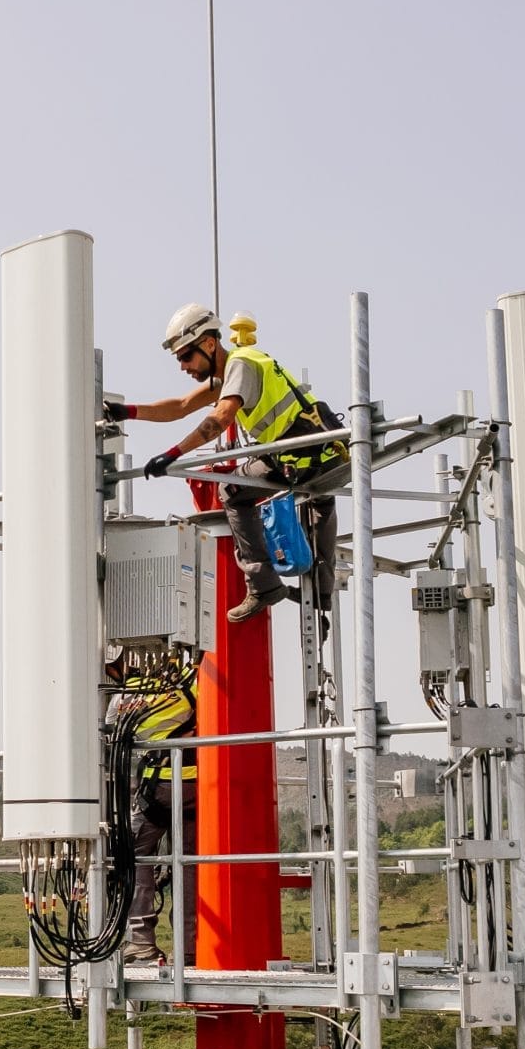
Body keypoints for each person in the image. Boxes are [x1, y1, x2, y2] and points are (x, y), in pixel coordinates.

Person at [108, 304, 341, 623]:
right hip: (324, 449)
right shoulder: (238, 367)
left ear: (208, 343)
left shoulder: (241, 365)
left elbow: (220, 418)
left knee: (232, 490)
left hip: (300, 454)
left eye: (186, 356)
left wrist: (174, 455)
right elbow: (180, 406)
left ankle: (263, 584)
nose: (183, 366)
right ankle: (322, 592)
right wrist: (128, 412)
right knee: (322, 500)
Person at [112, 652, 197, 967]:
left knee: (132, 854)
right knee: (190, 864)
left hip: (160, 787)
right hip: (199, 787)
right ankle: (189, 946)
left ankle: (142, 941)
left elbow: (113, 722)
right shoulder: (192, 681)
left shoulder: (139, 687)